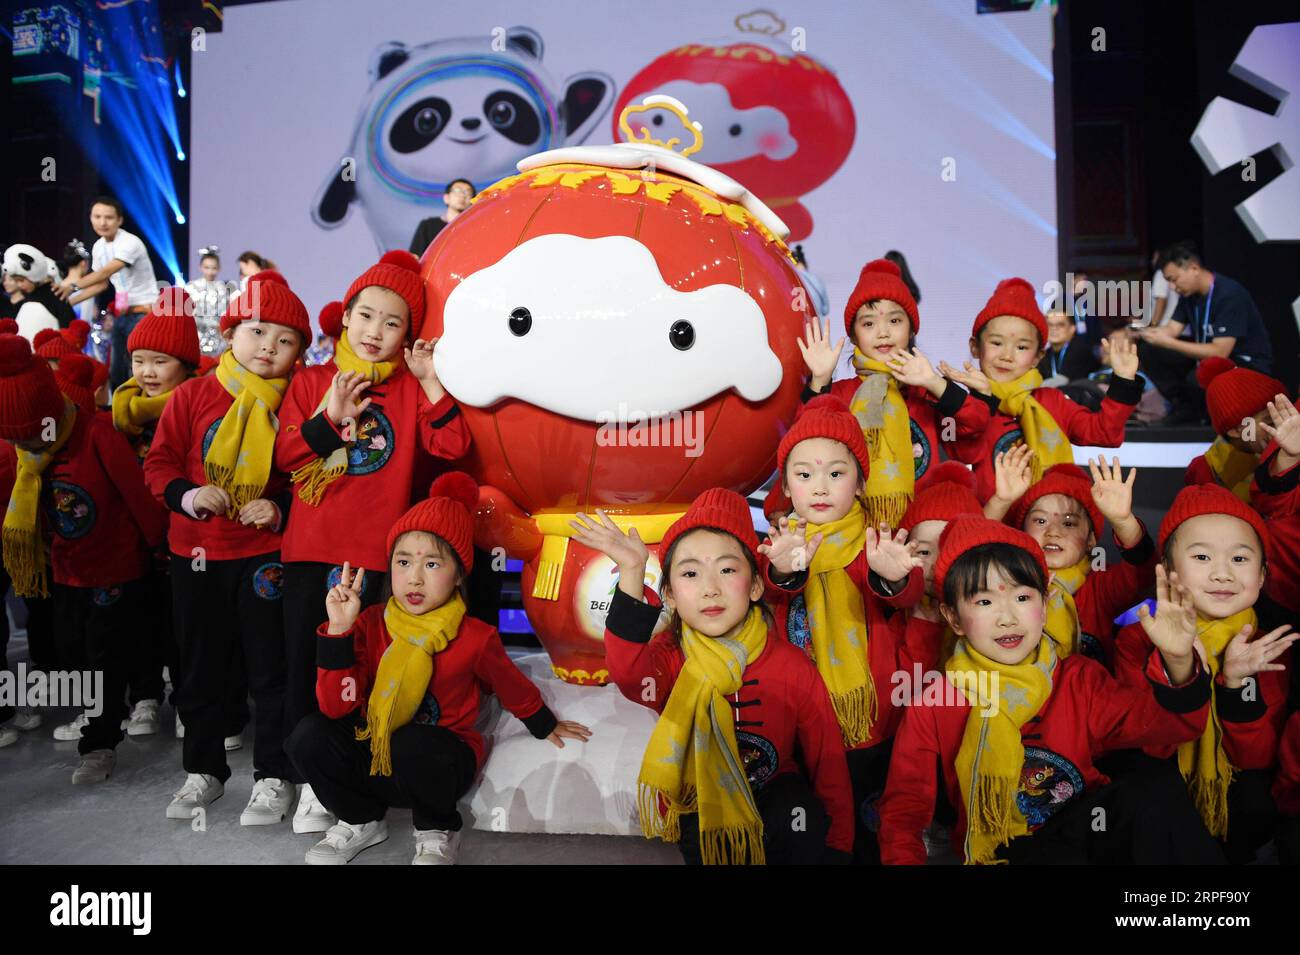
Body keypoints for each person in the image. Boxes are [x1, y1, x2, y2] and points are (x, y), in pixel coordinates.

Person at [878, 516, 1223, 864]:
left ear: (1044, 606)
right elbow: (904, 811)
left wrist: (1179, 662)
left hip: (1082, 834)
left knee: (1151, 790)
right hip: (1003, 853)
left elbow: (1172, 728)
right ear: (953, 619)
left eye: (1023, 597)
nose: (1007, 618)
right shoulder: (937, 700)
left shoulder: (1077, 679)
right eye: (984, 602)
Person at [287, 472, 589, 865]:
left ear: (460, 573)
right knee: (307, 735)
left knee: (413, 741)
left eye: (432, 563)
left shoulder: (475, 636)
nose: (415, 577)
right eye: (403, 561)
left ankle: (437, 827)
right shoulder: (370, 621)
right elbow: (335, 708)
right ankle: (361, 820)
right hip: (376, 755)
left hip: (439, 763)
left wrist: (546, 724)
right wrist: (339, 632)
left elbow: (511, 686)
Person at [275, 250, 470, 834]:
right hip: (310, 551)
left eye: (392, 323)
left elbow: (454, 446)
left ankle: (356, 781)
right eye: (365, 315)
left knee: (362, 671)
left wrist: (432, 382)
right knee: (300, 666)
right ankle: (311, 781)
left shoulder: (412, 389)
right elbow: (285, 458)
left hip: (375, 558)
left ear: (409, 336)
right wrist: (330, 414)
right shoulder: (311, 380)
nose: (374, 332)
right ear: (345, 317)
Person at [576, 488, 855, 864]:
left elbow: (828, 760)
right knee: (704, 837)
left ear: (755, 586)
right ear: (671, 595)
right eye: (691, 573)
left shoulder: (791, 665)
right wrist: (631, 572)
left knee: (797, 820)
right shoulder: (669, 658)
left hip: (777, 797)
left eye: (727, 569)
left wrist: (839, 845)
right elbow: (627, 674)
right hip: (701, 796)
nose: (710, 589)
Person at [145, 270, 308, 827]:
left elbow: (310, 472)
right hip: (196, 555)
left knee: (270, 670)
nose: (269, 347)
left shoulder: (298, 403)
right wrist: (189, 496)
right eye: (258, 331)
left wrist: (280, 506)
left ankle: (273, 776)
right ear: (231, 331)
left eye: (285, 340)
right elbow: (159, 464)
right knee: (201, 668)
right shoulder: (192, 394)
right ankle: (205, 770)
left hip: (262, 556)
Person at [757, 395, 923, 863]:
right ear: (787, 486)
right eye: (804, 474)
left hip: (866, 713)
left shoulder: (874, 539)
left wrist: (891, 576)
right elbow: (764, 589)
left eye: (836, 472)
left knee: (864, 812)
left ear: (861, 480)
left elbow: (907, 592)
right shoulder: (781, 540)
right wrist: (786, 572)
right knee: (812, 818)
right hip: (798, 709)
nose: (821, 487)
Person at [0, 333, 165, 783]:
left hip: (115, 569)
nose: (29, 444)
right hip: (63, 572)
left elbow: (138, 497)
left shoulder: (97, 435)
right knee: (72, 653)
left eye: (33, 434)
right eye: (18, 439)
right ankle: (105, 717)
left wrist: (157, 548)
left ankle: (99, 743)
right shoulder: (24, 453)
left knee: (104, 659)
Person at [1114, 485, 1299, 863]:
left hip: (1237, 802)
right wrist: (1177, 666)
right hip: (1165, 791)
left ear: (1262, 576)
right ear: (1168, 572)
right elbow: (1151, 748)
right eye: (1201, 556)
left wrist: (1235, 684)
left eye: (1240, 559)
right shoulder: (1137, 637)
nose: (1222, 574)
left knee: (1254, 799)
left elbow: (1256, 759)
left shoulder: (1268, 645)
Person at [800, 259, 990, 525]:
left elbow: (977, 424)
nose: (883, 332)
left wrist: (934, 383)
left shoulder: (927, 392)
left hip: (921, 531)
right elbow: (806, 441)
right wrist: (820, 379)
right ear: (853, 336)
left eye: (895, 320)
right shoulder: (842, 394)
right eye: (868, 324)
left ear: (911, 329)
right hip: (855, 530)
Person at [942, 277, 1142, 503]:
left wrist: (1123, 381)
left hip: (1046, 522)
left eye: (1022, 347)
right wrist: (979, 398)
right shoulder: (967, 407)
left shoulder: (1052, 401)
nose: (1007, 356)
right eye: (996, 343)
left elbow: (1104, 432)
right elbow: (962, 452)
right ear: (975, 347)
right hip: (990, 522)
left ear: (1038, 357)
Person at [1136, 241, 1275, 425]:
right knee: (1148, 350)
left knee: (1199, 374)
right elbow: (1171, 330)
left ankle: (1210, 415)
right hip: (1211, 361)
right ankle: (1185, 407)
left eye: (1173, 279)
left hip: (1246, 365)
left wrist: (1167, 342)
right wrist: (1144, 334)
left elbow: (1220, 351)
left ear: (1193, 268)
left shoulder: (1228, 294)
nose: (1172, 287)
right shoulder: (1188, 296)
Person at [55, 198, 160, 389]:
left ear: (119, 220)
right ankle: (117, 416)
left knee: (135, 370)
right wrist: (68, 302)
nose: (102, 222)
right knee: (117, 372)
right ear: (91, 218)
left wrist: (72, 287)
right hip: (123, 314)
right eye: (97, 217)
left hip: (144, 313)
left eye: (108, 217)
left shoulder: (130, 242)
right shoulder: (98, 246)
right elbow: (101, 285)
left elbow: (104, 273)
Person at [4, 244, 77, 339]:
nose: (19, 285)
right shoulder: (28, 297)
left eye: (21, 280)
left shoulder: (54, 293)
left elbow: (68, 325)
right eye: (16, 281)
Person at [184, 246, 233, 357]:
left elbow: (226, 313)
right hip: (196, 337)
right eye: (206, 267)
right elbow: (188, 314)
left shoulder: (223, 289)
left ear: (219, 268)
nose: (210, 271)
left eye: (214, 268)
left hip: (219, 339)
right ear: (200, 267)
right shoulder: (191, 287)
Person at [408, 178, 475, 257]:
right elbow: (415, 256)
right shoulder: (428, 225)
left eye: (468, 192)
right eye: (457, 191)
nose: (462, 195)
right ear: (446, 198)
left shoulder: (474, 228)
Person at [1037, 308, 1099, 386]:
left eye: (1060, 325)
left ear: (1072, 329)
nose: (1054, 328)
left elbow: (1062, 381)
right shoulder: (1046, 354)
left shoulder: (1080, 349)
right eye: (1049, 324)